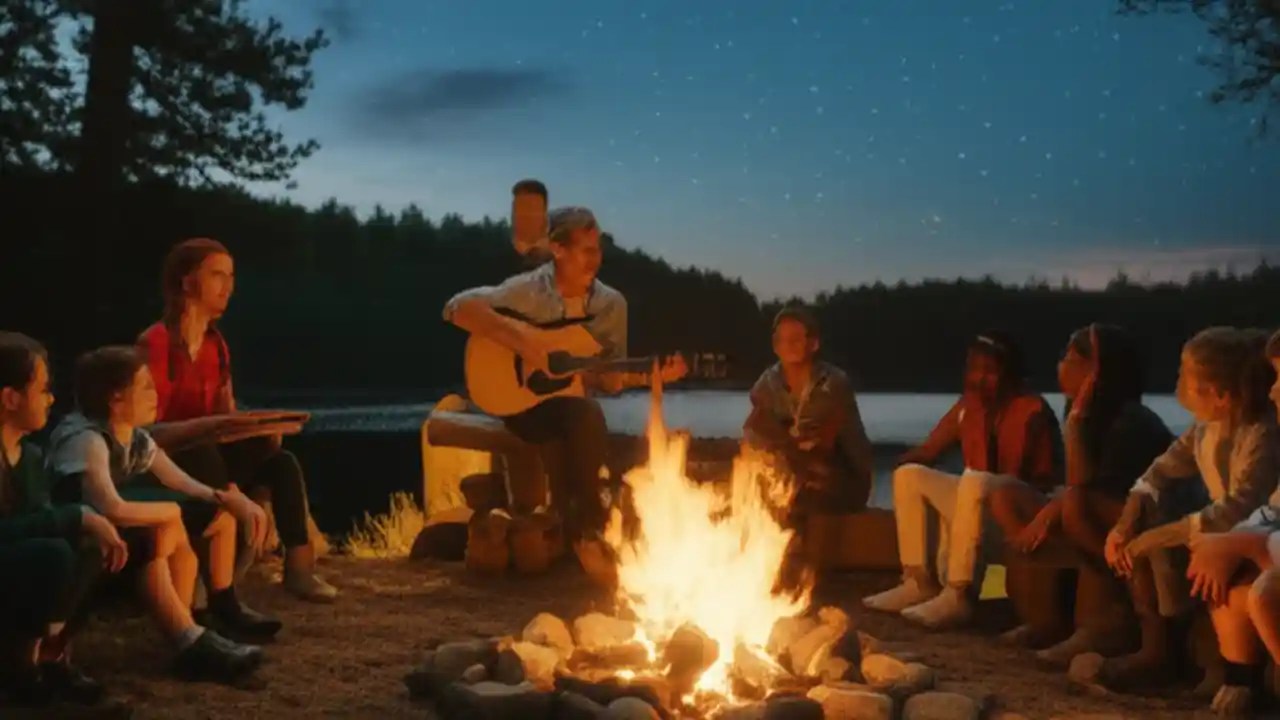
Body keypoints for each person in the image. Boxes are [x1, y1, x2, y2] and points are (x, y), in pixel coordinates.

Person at [443, 206, 686, 574]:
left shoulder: (610, 305)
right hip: (517, 399)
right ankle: (588, 531)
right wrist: (529, 348)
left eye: (598, 250)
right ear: (558, 249)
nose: (595, 260)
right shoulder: (530, 291)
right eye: (586, 250)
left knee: (575, 422)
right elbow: (457, 308)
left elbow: (607, 378)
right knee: (582, 418)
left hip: (564, 403)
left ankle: (568, 541)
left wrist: (651, 376)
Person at [46, 345, 271, 682]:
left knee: (181, 524)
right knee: (166, 526)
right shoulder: (87, 440)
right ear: (116, 399)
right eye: (145, 387)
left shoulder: (134, 437)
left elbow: (176, 479)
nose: (155, 394)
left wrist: (224, 498)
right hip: (74, 534)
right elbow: (111, 507)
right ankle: (188, 642)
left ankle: (191, 636)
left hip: (102, 529)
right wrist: (170, 513)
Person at [137, 237, 337, 603]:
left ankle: (299, 570)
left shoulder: (216, 345)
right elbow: (143, 434)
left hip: (210, 456)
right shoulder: (156, 343)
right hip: (168, 464)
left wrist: (261, 429)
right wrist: (207, 430)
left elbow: (224, 414)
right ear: (186, 281)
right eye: (217, 275)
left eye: (231, 276)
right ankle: (216, 584)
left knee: (281, 463)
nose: (228, 286)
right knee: (203, 454)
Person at [1091, 327, 1280, 698]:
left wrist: (1155, 539)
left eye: (1186, 377)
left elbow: (1243, 506)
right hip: (1244, 533)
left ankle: (1218, 665)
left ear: (1221, 395)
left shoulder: (1263, 434)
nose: (1178, 384)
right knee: (1152, 517)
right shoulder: (1206, 427)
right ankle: (1160, 647)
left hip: (1248, 534)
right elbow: (1158, 473)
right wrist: (1127, 524)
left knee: (1208, 558)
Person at [987, 324, 1173, 662]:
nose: (1061, 365)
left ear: (1096, 371)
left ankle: (1103, 623)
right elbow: (1076, 484)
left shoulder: (1130, 421)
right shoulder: (1082, 410)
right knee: (1005, 494)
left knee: (1074, 507)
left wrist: (1074, 427)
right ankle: (1043, 617)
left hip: (1138, 520)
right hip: (1094, 511)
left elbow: (1097, 490)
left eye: (1071, 359)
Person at [862, 330, 1063, 628]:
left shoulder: (1033, 411)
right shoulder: (967, 408)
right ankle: (917, 582)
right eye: (974, 369)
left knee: (975, 480)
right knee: (909, 475)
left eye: (990, 372)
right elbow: (929, 451)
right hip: (976, 508)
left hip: (1018, 519)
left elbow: (1048, 484)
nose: (979, 379)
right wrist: (874, 462)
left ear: (1010, 374)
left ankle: (959, 595)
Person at [0, 332, 124, 706]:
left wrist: (84, 521)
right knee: (53, 553)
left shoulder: (32, 457)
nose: (50, 399)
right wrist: (78, 514)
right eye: (42, 389)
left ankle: (49, 657)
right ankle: (18, 668)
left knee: (89, 547)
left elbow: (39, 517)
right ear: (10, 398)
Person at [742, 305, 874, 587]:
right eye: (781, 339)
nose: (788, 345)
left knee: (802, 490)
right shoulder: (768, 383)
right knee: (763, 482)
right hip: (795, 468)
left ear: (813, 343)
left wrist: (795, 455)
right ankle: (767, 572)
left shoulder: (834, 384)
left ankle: (806, 578)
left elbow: (832, 440)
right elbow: (754, 426)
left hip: (840, 470)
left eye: (796, 339)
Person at [511, 178, 550, 263]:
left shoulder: (562, 256)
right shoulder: (494, 254)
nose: (523, 217)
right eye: (518, 209)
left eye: (531, 209)